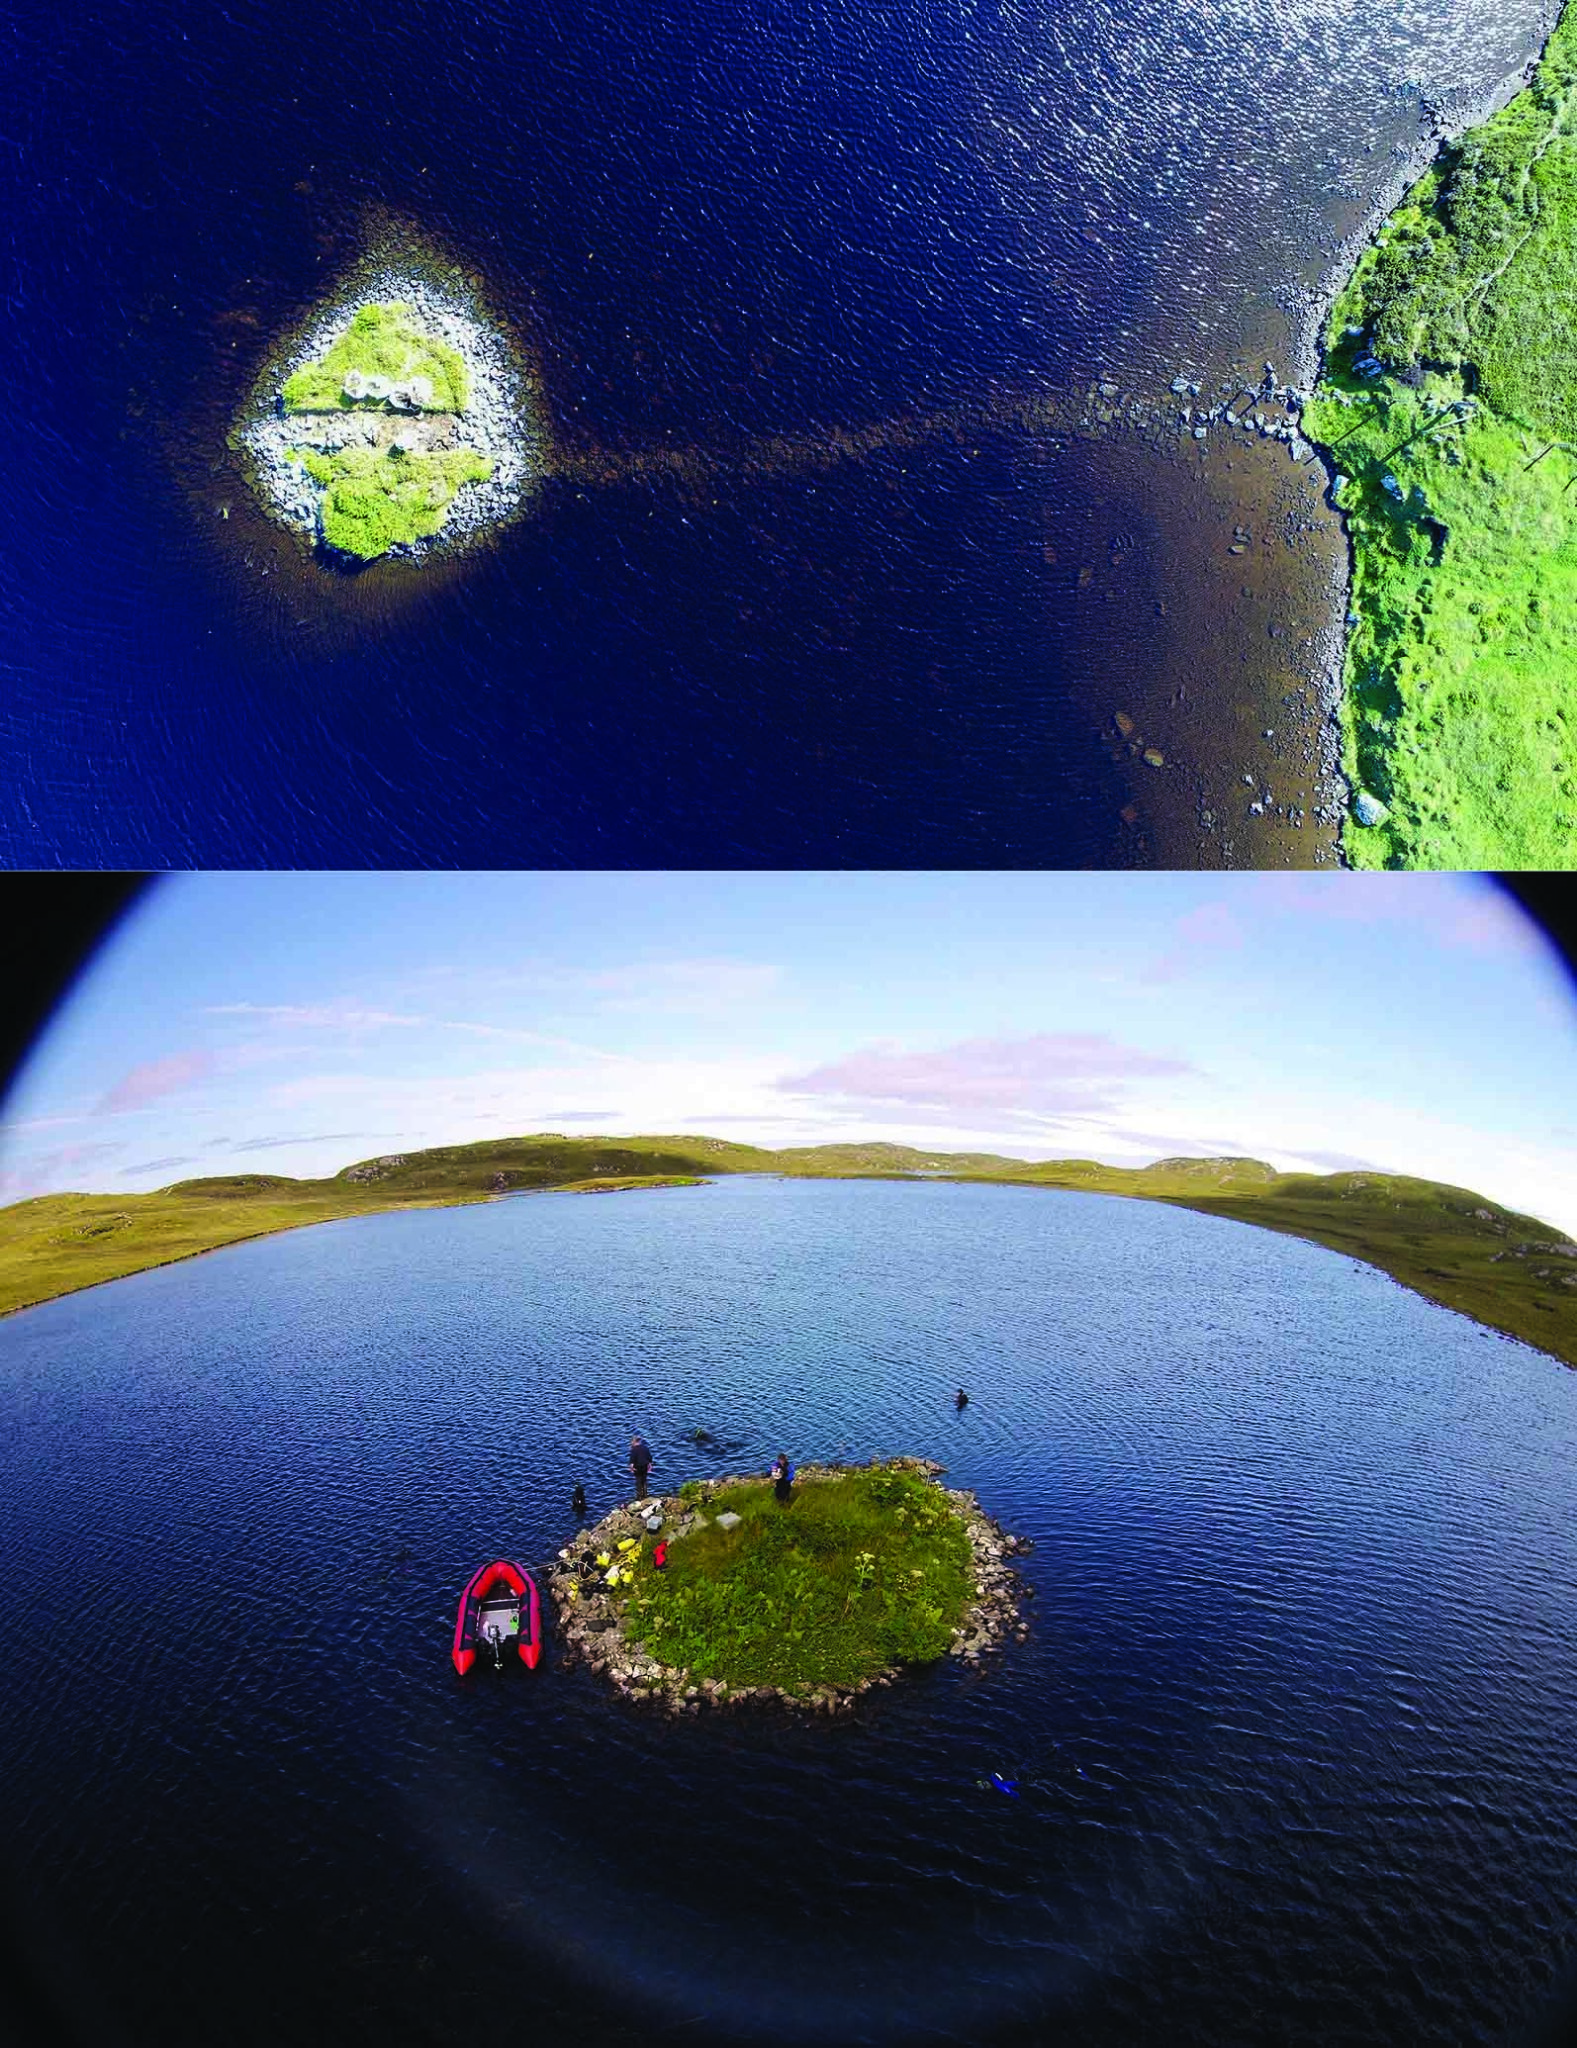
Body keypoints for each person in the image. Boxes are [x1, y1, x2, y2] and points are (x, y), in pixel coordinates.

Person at [628, 1434, 653, 1498]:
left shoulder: (634, 1450)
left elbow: (632, 1461)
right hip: (645, 1466)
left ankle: (639, 1496)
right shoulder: (645, 1448)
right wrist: (650, 1466)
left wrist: (631, 1468)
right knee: (644, 1480)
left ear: (634, 1441)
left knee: (638, 1481)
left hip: (638, 1467)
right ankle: (645, 1494)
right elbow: (649, 1458)